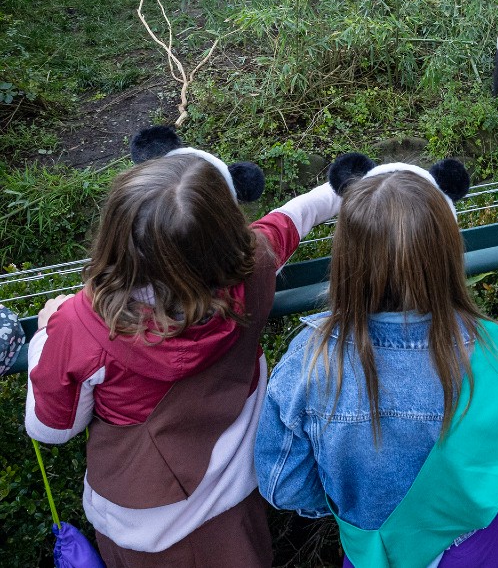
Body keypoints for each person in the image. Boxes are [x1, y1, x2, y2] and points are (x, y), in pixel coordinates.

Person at [24, 128, 340, 567]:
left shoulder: (81, 324)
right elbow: (293, 217)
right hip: (236, 497)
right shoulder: (253, 265)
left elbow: (51, 428)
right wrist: (344, 188)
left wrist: (45, 333)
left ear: (115, 234)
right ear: (228, 231)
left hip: (145, 530)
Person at [255, 158, 498, 568]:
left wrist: (353, 508)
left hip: (374, 554)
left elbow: (281, 484)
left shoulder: (307, 362)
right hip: (476, 551)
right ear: (447, 251)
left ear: (346, 256)